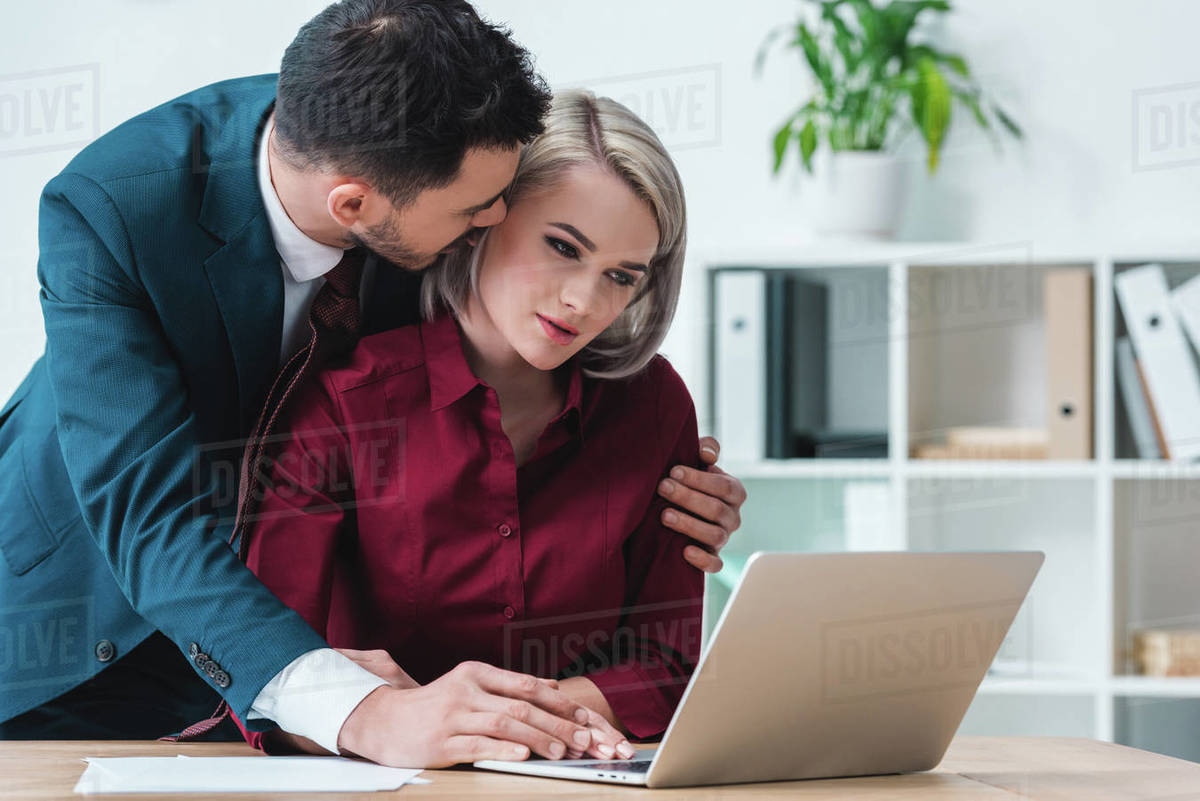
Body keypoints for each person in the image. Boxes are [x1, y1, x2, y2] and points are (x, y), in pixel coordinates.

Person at [0, 0, 746, 765]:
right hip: (86, 625)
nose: (495, 216)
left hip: (289, 668)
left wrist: (655, 485)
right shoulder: (111, 208)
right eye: (479, 209)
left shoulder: (424, 154)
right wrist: (357, 709)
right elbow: (147, 519)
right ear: (353, 203)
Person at [235, 89, 705, 769]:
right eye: (563, 247)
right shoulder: (345, 403)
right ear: (483, 217)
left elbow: (666, 662)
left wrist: (492, 720)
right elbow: (269, 676)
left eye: (621, 276)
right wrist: (413, 721)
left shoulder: (654, 406)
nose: (584, 301)